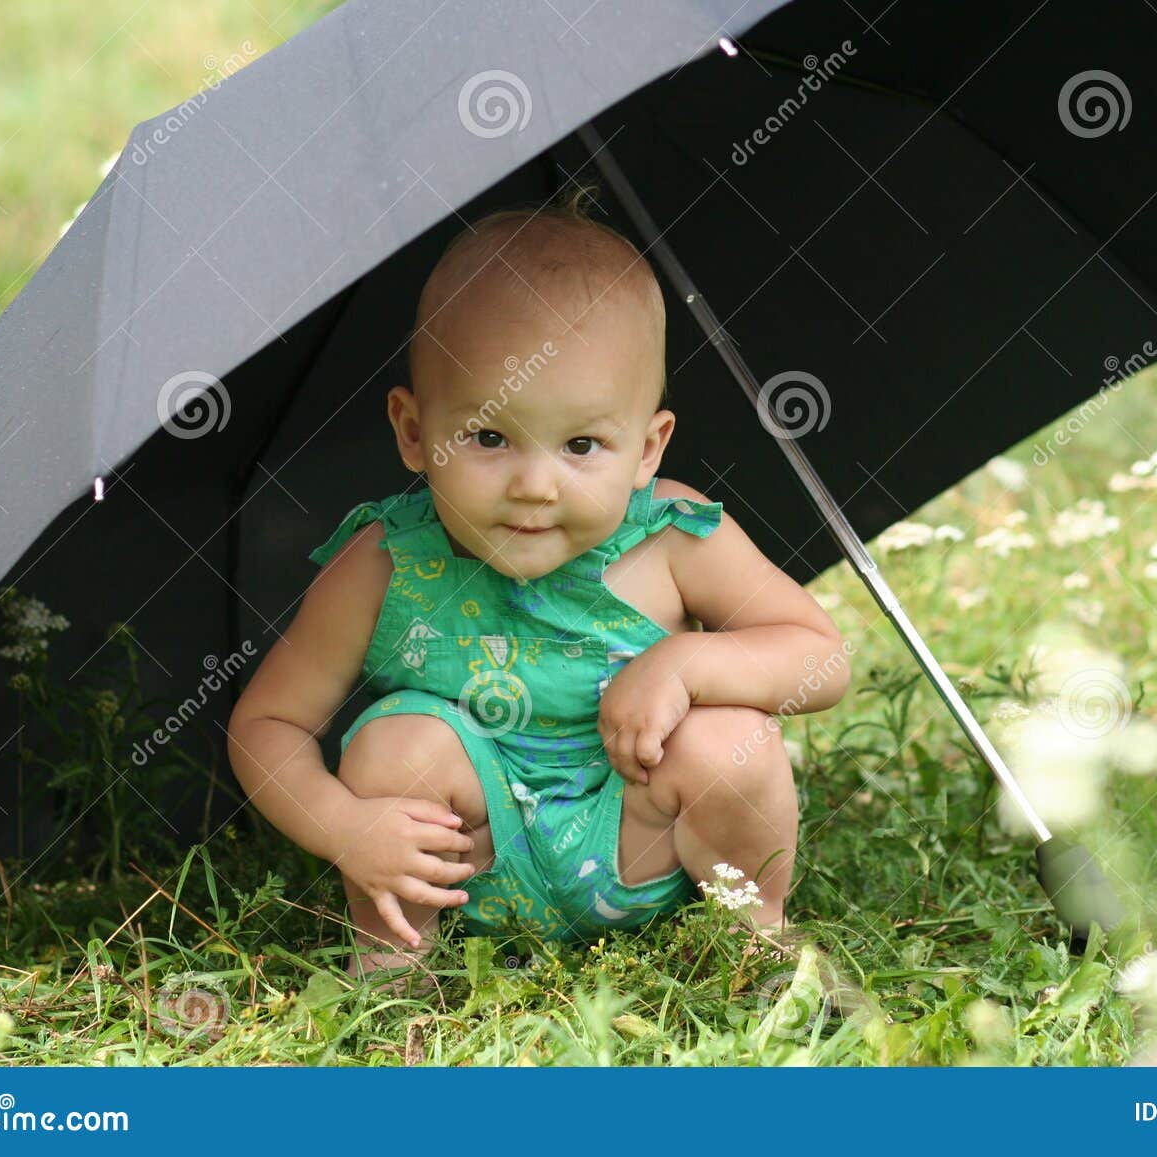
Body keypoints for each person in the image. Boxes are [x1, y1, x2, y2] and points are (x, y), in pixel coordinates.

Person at [226, 188, 852, 983]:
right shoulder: (385, 560)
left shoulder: (671, 536)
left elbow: (820, 658)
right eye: (489, 435)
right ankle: (395, 967)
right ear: (414, 432)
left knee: (733, 740)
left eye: (583, 443)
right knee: (395, 743)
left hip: (637, 831)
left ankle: (756, 938)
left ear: (649, 447)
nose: (534, 484)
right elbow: (266, 722)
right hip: (464, 866)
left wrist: (684, 667)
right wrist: (346, 826)